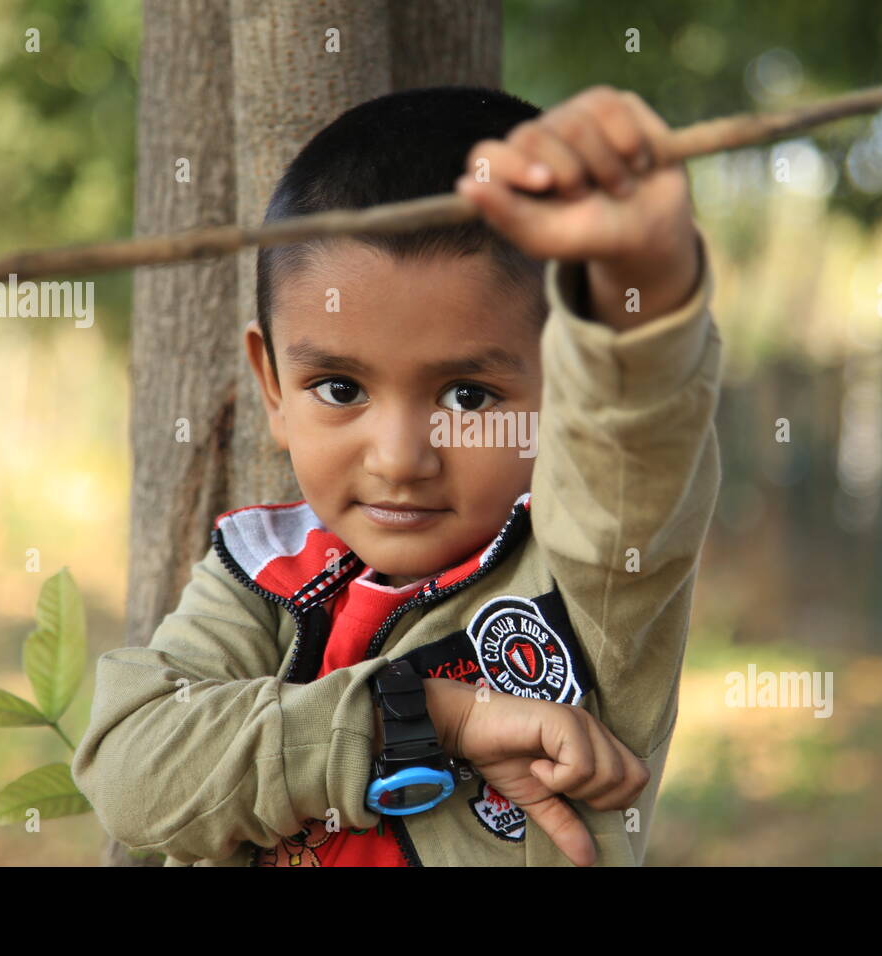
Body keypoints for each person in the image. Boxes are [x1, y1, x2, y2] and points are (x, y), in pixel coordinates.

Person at [72, 83, 723, 867]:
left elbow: (636, 445)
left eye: (468, 396)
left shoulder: (591, 581)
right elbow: (134, 770)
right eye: (341, 389)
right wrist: (421, 717)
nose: (401, 457)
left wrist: (648, 282)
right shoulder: (264, 573)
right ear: (273, 386)